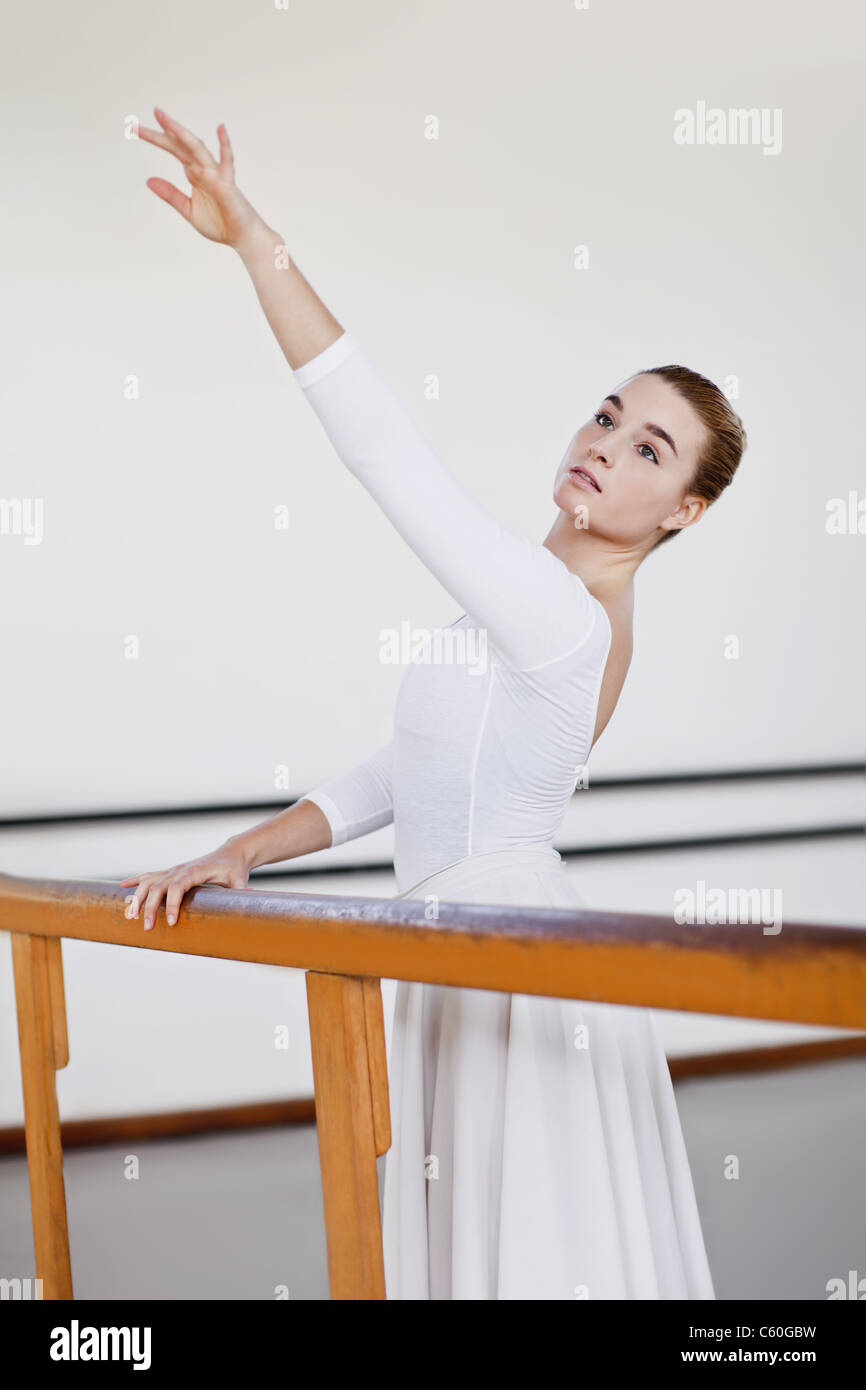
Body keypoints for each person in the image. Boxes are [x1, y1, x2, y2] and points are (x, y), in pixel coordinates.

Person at [122, 107, 747, 1300]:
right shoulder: (533, 606)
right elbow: (406, 772)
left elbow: (386, 457)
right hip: (462, 954)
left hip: (513, 965)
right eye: (607, 414)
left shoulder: (559, 613)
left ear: (682, 511)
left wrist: (259, 244)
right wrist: (244, 849)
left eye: (650, 450)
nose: (605, 444)